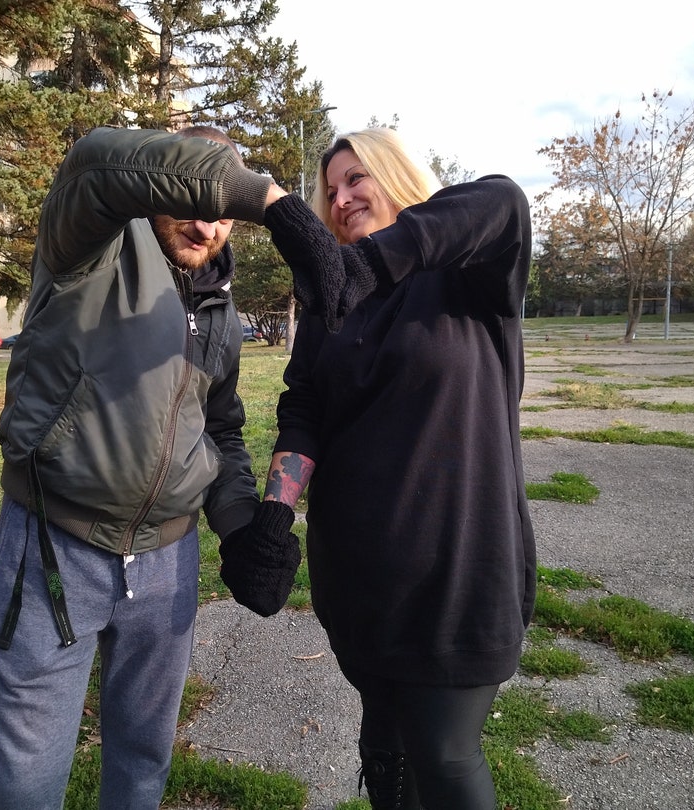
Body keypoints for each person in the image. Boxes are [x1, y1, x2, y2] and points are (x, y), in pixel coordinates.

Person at [223, 127, 537, 809]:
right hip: (362, 577)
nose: (340, 198)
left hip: (458, 567)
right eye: (329, 191)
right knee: (385, 751)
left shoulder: (471, 279)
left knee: (445, 757)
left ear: (395, 174)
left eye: (356, 178)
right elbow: (304, 409)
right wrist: (275, 516)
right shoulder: (331, 303)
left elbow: (505, 202)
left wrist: (365, 263)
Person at [0, 124, 282, 810]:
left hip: (168, 566)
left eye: (224, 211)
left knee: (144, 763)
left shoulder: (222, 313)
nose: (206, 223)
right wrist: (270, 196)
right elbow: (93, 166)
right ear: (156, 185)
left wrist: (239, 527)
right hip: (56, 550)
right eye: (195, 195)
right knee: (30, 782)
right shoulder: (89, 243)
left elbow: (222, 433)